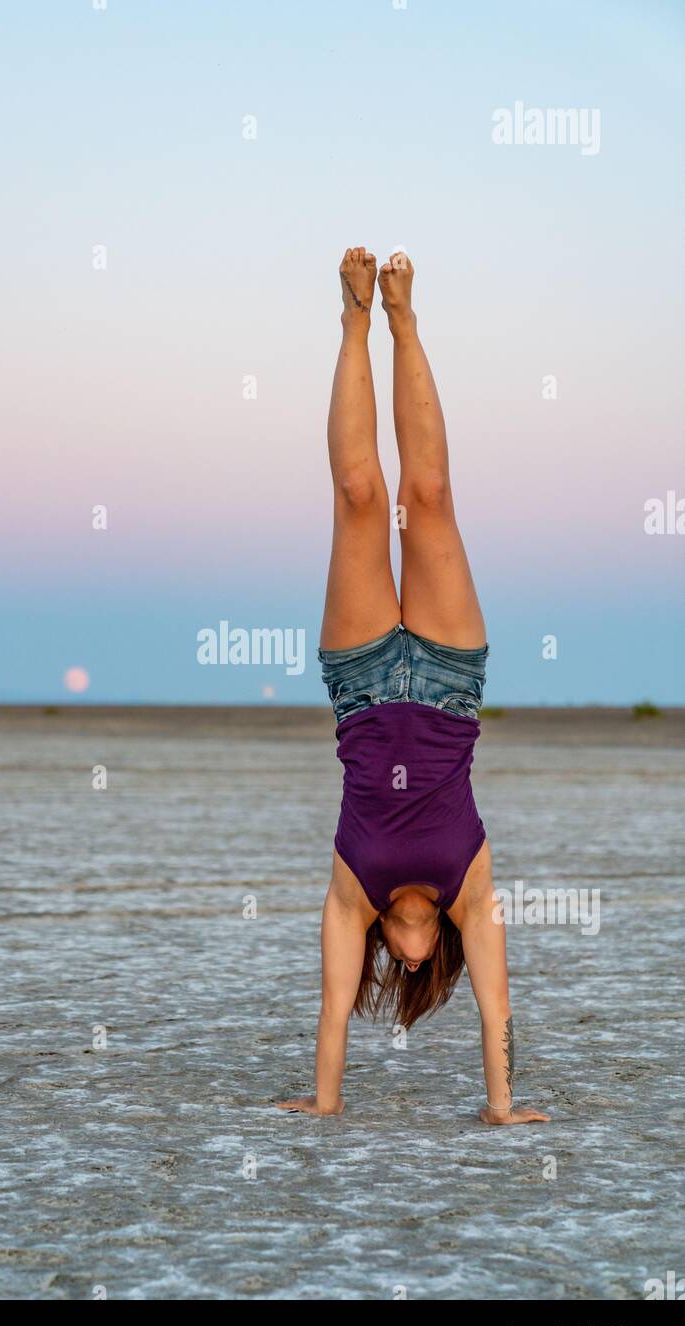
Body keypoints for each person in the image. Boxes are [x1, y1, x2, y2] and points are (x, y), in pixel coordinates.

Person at [278, 249, 549, 1126]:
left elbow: (331, 1017)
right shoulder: (470, 890)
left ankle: (354, 316)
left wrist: (322, 1104)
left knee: (360, 494)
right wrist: (502, 1107)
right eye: (417, 957)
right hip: (448, 682)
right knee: (425, 495)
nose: (407, 952)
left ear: (390, 951)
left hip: (359, 685)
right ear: (433, 952)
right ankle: (404, 319)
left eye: (397, 957)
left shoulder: (350, 894)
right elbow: (498, 1014)